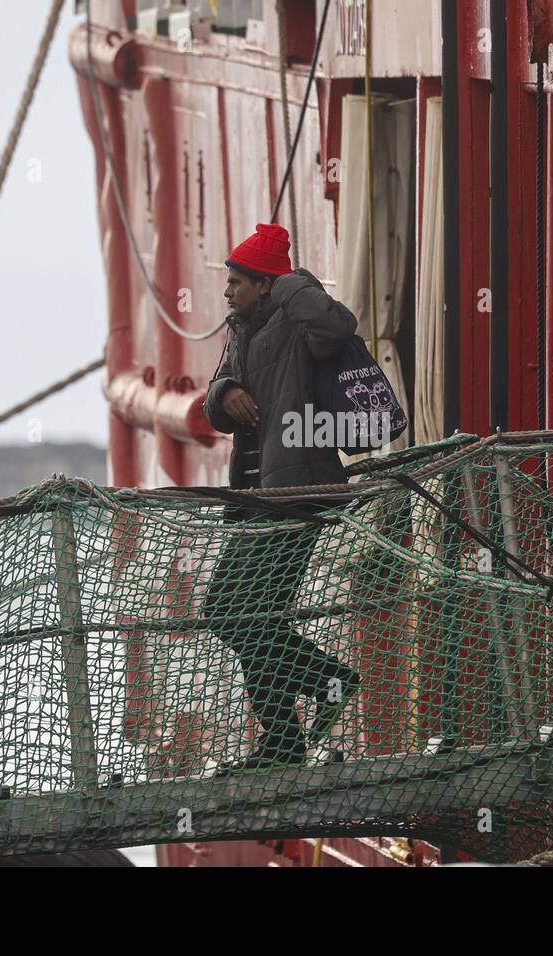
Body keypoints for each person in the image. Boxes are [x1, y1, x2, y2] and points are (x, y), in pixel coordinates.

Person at [201, 223, 361, 775]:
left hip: (297, 493)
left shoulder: (297, 322)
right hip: (254, 498)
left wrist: (288, 280)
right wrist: (228, 391)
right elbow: (211, 402)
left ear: (264, 285)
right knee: (229, 611)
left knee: (248, 616)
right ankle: (319, 691)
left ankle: (286, 737)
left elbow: (338, 328)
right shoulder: (242, 329)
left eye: (237, 282)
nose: (227, 292)